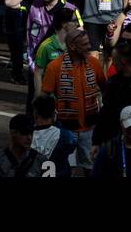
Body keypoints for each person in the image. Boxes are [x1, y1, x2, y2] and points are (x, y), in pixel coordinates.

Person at [40, 28, 106, 175]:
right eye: (84, 44)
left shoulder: (94, 63)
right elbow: (44, 97)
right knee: (67, 169)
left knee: (91, 167)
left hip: (90, 128)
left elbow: (105, 89)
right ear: (72, 46)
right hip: (66, 129)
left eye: (88, 43)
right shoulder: (54, 67)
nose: (89, 47)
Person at [0, 114, 44, 178]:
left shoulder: (40, 160)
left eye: (31, 133)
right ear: (13, 133)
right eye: (24, 133)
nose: (29, 138)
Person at [30, 95, 78, 177]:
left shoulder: (26, 135)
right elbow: (72, 165)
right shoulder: (66, 135)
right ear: (54, 113)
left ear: (35, 113)